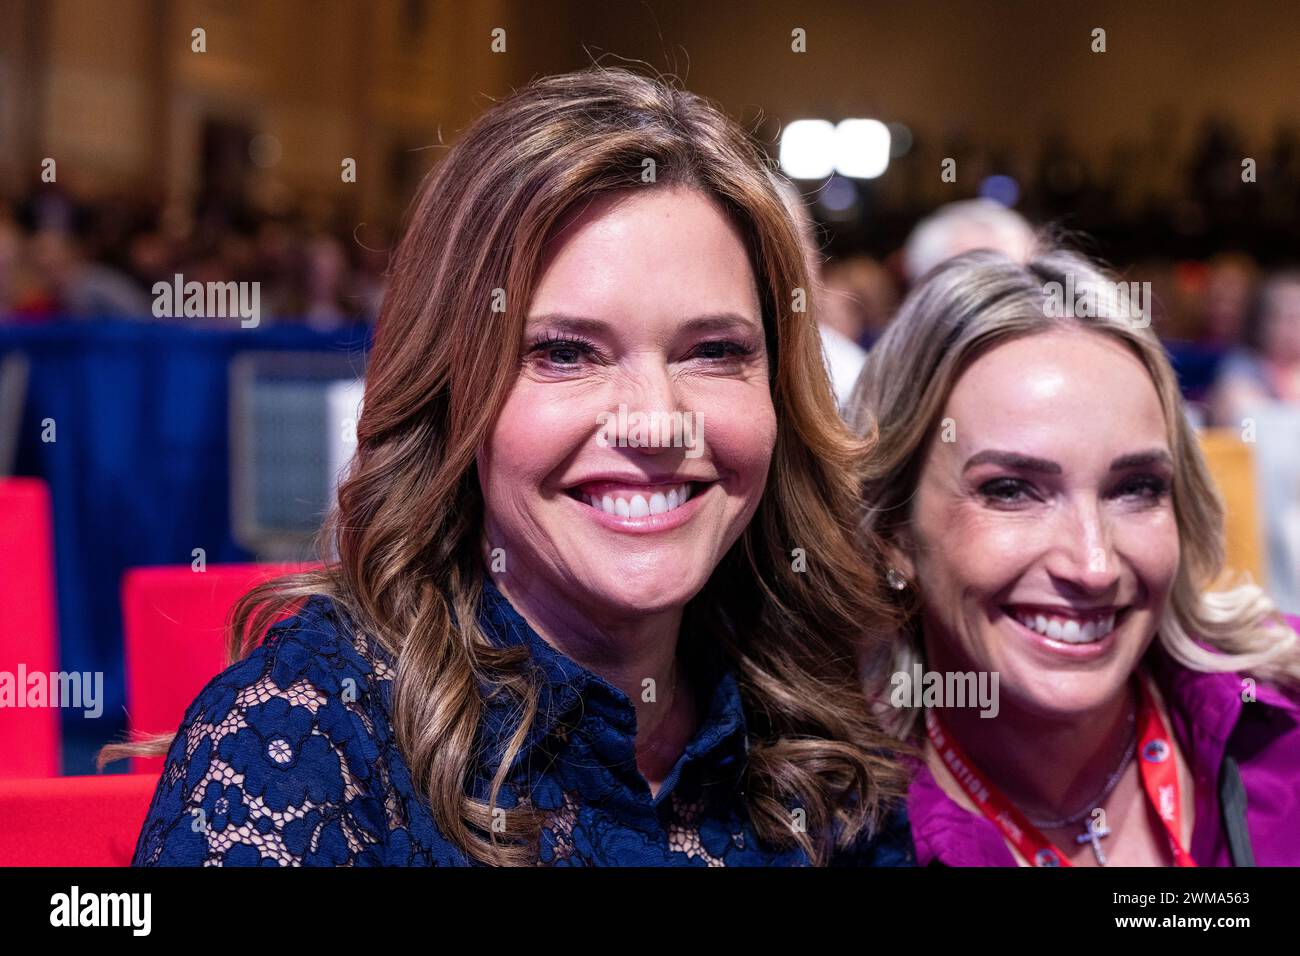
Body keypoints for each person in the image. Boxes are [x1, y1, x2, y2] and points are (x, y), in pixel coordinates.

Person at [100, 66, 915, 867]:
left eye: (715, 351)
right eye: (565, 353)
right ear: (451, 389)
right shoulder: (308, 745)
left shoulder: (816, 743)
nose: (657, 421)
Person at [846, 247, 1300, 866]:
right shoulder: (831, 831)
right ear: (894, 533)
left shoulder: (1278, 723)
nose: (1094, 566)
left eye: (1135, 488)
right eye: (1010, 490)